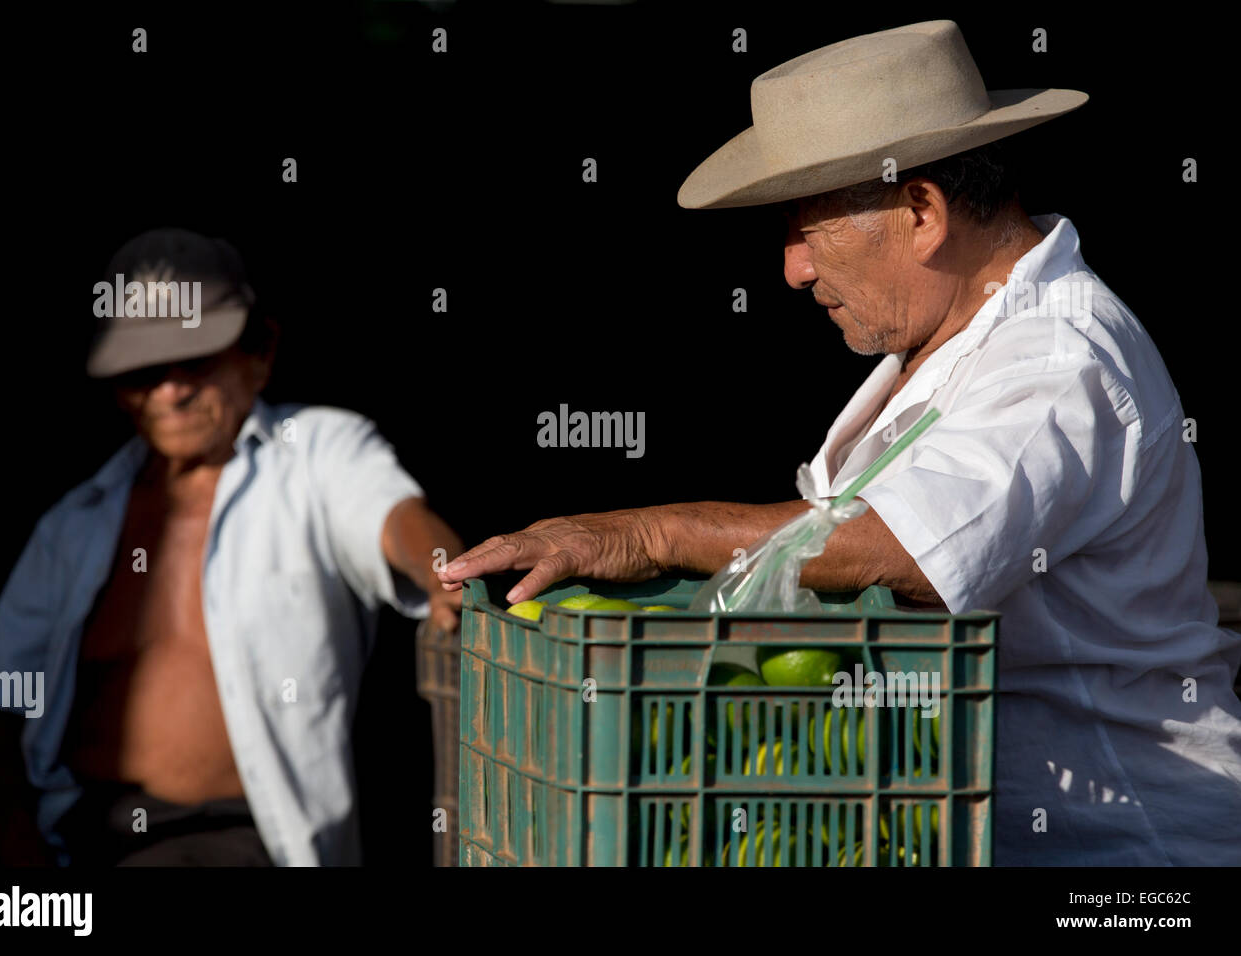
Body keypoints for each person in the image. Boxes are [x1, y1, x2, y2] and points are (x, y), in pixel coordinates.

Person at [437, 21, 1241, 865]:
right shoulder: (955, 340)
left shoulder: (1057, 359)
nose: (791, 269)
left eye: (806, 226)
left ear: (920, 210)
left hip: (1116, 855)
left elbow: (899, 547)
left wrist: (646, 535)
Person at [0, 228, 462, 866]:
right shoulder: (75, 524)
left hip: (248, 845)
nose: (172, 391)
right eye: (146, 371)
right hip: (78, 841)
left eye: (195, 361)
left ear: (260, 350)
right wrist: (10, 820)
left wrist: (443, 572)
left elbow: (395, 519)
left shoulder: (317, 453)